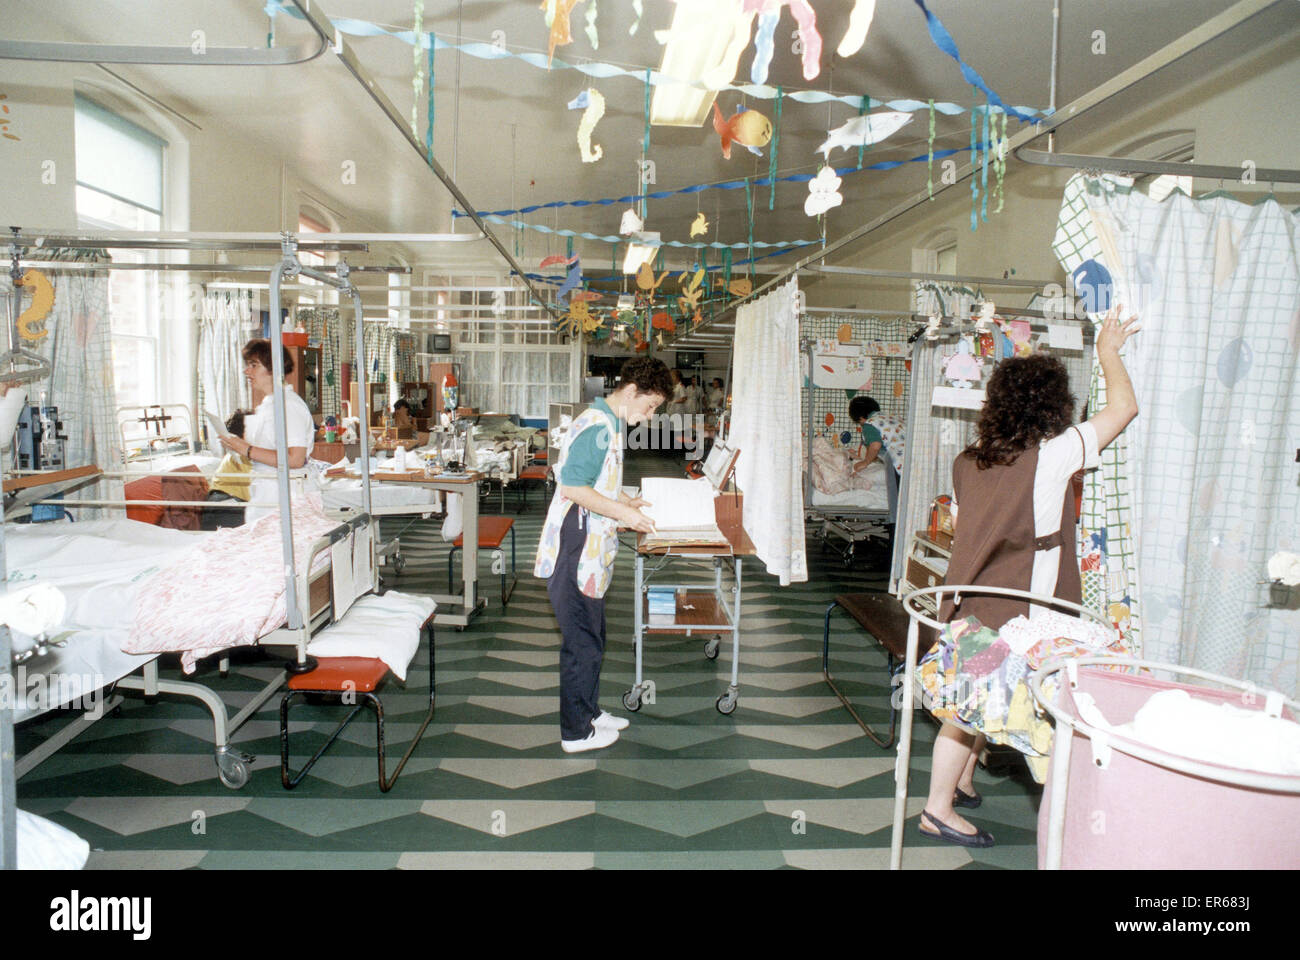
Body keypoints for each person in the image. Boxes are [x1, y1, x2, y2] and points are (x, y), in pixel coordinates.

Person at [919, 306, 1140, 848]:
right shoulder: (1055, 454)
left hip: (972, 599)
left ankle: (964, 780)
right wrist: (1108, 352)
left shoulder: (969, 460)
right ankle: (936, 808)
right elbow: (1125, 408)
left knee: (973, 696)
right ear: (1054, 406)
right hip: (1021, 606)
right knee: (964, 710)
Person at [534, 356, 672, 753]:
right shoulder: (597, 426)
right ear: (631, 392)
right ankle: (576, 732)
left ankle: (589, 712)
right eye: (649, 406)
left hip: (590, 543)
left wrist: (627, 499)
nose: (648, 416)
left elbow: (596, 481)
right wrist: (624, 513)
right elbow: (574, 487)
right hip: (576, 544)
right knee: (581, 641)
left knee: (594, 633)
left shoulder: (607, 423)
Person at [220, 338, 317, 525]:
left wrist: (247, 450)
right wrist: (237, 447)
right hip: (267, 494)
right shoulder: (268, 404)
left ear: (273, 369)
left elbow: (295, 459)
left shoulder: (288, 405)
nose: (247, 371)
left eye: (254, 365)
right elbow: (267, 451)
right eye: (248, 365)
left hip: (285, 496)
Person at [203, 410, 252, 531]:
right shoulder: (241, 456)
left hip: (229, 504)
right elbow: (253, 494)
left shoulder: (243, 455)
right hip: (222, 505)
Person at [848, 394, 905, 476]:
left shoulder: (869, 424)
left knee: (894, 487)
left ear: (860, 418)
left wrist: (865, 462)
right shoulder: (891, 418)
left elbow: (875, 446)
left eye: (859, 423)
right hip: (913, 457)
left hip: (899, 463)